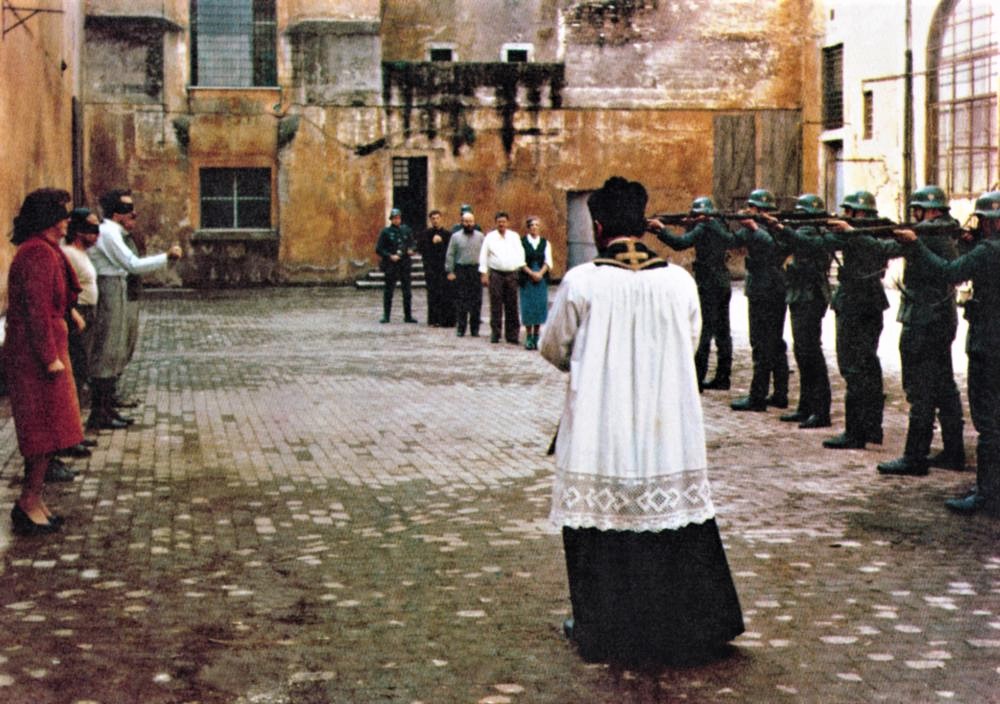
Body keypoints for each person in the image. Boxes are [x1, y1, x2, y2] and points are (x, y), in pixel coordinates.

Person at [540, 176, 743, 666]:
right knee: (670, 519)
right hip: (666, 422)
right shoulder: (679, 281)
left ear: (600, 226)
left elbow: (553, 348)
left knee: (601, 518)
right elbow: (692, 341)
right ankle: (683, 622)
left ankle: (601, 624)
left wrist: (599, 364)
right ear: (644, 226)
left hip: (601, 422)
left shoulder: (582, 282)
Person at [893, 190, 1000, 515]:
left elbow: (948, 272)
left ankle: (987, 495)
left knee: (989, 424)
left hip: (988, 342)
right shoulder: (985, 248)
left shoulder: (988, 250)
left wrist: (915, 245)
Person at [6, 188, 84, 535]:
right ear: (47, 219)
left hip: (45, 350)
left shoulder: (45, 250)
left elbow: (50, 300)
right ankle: (28, 502)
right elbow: (36, 311)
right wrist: (49, 358)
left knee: (52, 433)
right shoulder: (37, 253)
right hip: (36, 358)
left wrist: (70, 313)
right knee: (42, 433)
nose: (67, 220)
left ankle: (35, 500)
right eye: (62, 214)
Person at [876, 186, 965, 476]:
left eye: (918, 210)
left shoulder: (928, 235)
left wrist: (857, 234)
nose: (915, 215)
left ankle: (915, 457)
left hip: (925, 320)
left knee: (921, 389)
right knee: (944, 387)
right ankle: (953, 452)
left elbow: (886, 249)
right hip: (938, 318)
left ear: (931, 211)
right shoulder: (943, 232)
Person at [88, 188, 183, 431]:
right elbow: (131, 264)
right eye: (129, 210)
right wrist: (165, 258)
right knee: (107, 349)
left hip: (115, 286)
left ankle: (107, 409)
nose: (134, 215)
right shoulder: (109, 232)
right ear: (117, 214)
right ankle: (100, 413)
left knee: (115, 349)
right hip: (109, 287)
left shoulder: (114, 232)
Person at [822, 191, 900, 449]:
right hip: (868, 300)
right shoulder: (865, 233)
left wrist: (851, 232)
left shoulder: (872, 233)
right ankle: (870, 428)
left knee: (855, 366)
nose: (846, 215)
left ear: (862, 214)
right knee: (867, 365)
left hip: (858, 300)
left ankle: (856, 431)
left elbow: (883, 248)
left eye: (850, 212)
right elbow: (818, 244)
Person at [648, 196, 735, 390]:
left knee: (704, 331)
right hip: (722, 279)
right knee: (723, 331)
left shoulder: (705, 226)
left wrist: (661, 230)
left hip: (709, 282)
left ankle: (697, 378)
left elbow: (681, 243)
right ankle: (723, 376)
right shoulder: (719, 225)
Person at [766, 194, 833, 429]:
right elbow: (779, 249)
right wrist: (770, 228)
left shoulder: (816, 233)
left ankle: (821, 410)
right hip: (799, 293)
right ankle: (806, 406)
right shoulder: (802, 231)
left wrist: (781, 228)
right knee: (802, 352)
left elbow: (803, 243)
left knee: (810, 352)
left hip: (810, 295)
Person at [730, 189, 790, 411]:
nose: (752, 211)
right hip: (760, 288)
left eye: (755, 208)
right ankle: (777, 394)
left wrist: (755, 227)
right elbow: (730, 241)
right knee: (767, 343)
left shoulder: (777, 229)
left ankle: (760, 397)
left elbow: (776, 249)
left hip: (771, 289)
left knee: (766, 343)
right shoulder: (753, 230)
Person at [58, 208, 102, 459]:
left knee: (81, 372)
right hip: (78, 315)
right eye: (91, 228)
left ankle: (73, 434)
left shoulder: (82, 254)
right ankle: (68, 438)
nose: (97, 234)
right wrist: (73, 312)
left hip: (87, 313)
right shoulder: (68, 254)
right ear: (78, 230)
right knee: (75, 372)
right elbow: (64, 288)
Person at [479, 211, 525, 344]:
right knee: (496, 304)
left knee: (512, 305)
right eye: (499, 222)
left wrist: (518, 270)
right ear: (496, 223)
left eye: (504, 222)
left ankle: (512, 335)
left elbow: (520, 253)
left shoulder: (514, 236)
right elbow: (483, 255)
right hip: (496, 274)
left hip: (511, 273)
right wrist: (484, 273)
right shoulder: (490, 237)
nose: (501, 224)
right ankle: (496, 333)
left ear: (508, 223)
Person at [446, 210, 485, 337]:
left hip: (475, 270)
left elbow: (485, 255)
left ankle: (475, 329)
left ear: (474, 222)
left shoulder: (480, 236)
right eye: (466, 221)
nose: (468, 224)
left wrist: (485, 272)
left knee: (476, 301)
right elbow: (450, 254)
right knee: (461, 300)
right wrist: (450, 271)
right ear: (462, 222)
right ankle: (461, 328)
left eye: (471, 221)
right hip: (461, 270)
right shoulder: (455, 236)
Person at [375, 208, 417, 324]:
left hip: (404, 264)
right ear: (391, 219)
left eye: (398, 218)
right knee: (389, 291)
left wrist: (412, 249)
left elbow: (412, 243)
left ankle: (408, 316)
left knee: (407, 292)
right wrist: (390, 256)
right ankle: (386, 316)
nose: (396, 220)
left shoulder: (406, 230)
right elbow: (379, 249)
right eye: (394, 218)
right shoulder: (386, 232)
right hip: (391, 265)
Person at [416, 209, 455, 328]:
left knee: (446, 294)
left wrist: (441, 242)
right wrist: (431, 243)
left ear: (441, 219)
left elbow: (451, 251)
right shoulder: (425, 234)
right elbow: (421, 249)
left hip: (444, 268)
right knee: (432, 294)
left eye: (437, 218)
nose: (435, 221)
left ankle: (446, 320)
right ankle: (433, 319)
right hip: (431, 269)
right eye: (433, 219)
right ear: (430, 220)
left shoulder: (448, 235)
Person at [518, 216, 552, 350]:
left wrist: (540, 274)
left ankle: (537, 335)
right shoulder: (522, 242)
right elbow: (520, 261)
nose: (535, 228)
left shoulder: (545, 243)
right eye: (532, 225)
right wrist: (531, 273)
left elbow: (548, 261)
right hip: (527, 277)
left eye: (537, 225)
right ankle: (529, 336)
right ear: (528, 227)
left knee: (539, 305)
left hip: (541, 276)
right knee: (528, 306)